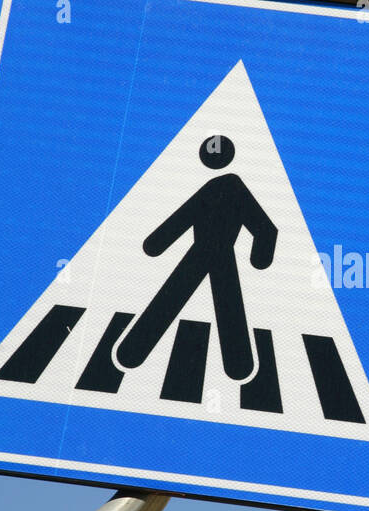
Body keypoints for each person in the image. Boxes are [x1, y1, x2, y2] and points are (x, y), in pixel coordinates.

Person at [115, 136, 277, 382]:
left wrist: (260, 256)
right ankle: (238, 364)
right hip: (206, 252)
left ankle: (133, 352)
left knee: (196, 301)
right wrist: (155, 244)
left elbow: (264, 227)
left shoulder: (230, 187)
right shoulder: (221, 187)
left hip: (211, 253)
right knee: (220, 303)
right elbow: (187, 215)